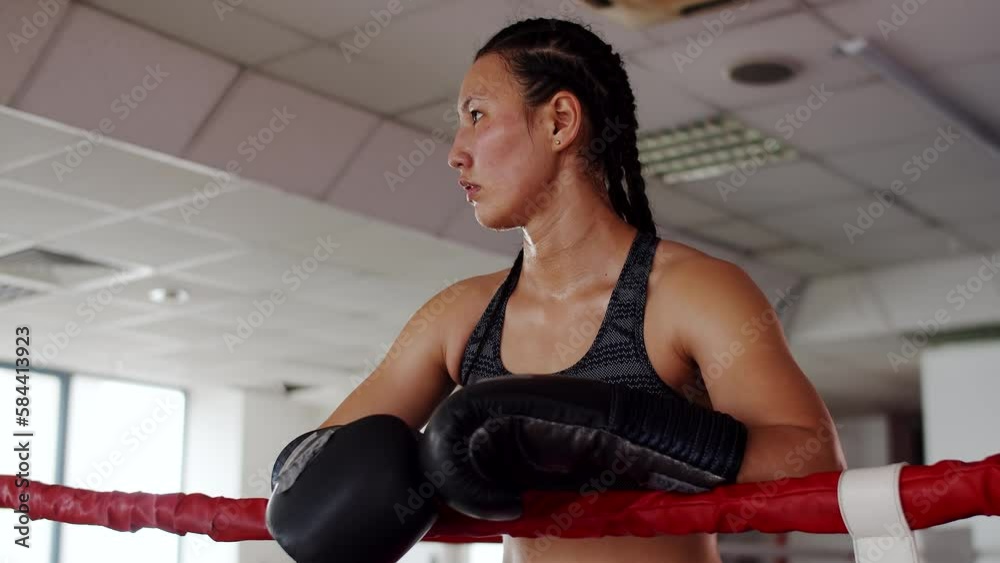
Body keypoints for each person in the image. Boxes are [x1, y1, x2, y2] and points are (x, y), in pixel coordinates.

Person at [313, 18, 846, 563]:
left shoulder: (687, 292)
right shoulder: (460, 319)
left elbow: (813, 464)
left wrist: (605, 436)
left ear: (559, 122)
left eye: (476, 116)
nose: (455, 151)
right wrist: (432, 469)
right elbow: (313, 478)